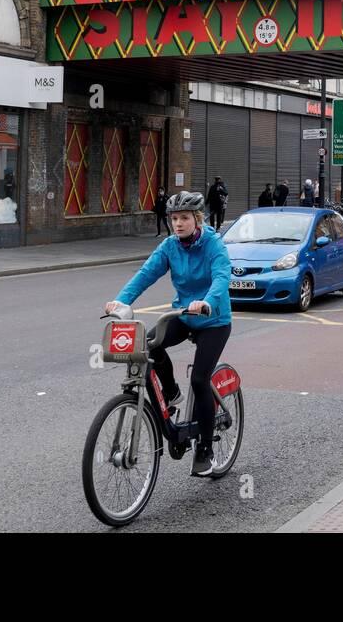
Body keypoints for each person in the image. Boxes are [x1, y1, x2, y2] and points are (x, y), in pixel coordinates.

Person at [103, 191, 232, 476]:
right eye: (174, 219)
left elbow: (223, 275)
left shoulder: (213, 244)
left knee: (200, 380)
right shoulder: (170, 246)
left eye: (184, 218)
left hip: (213, 320)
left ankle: (205, 450)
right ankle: (171, 392)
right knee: (147, 345)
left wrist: (208, 302)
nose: (178, 224)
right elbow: (146, 274)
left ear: (198, 219)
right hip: (184, 315)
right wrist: (121, 301)